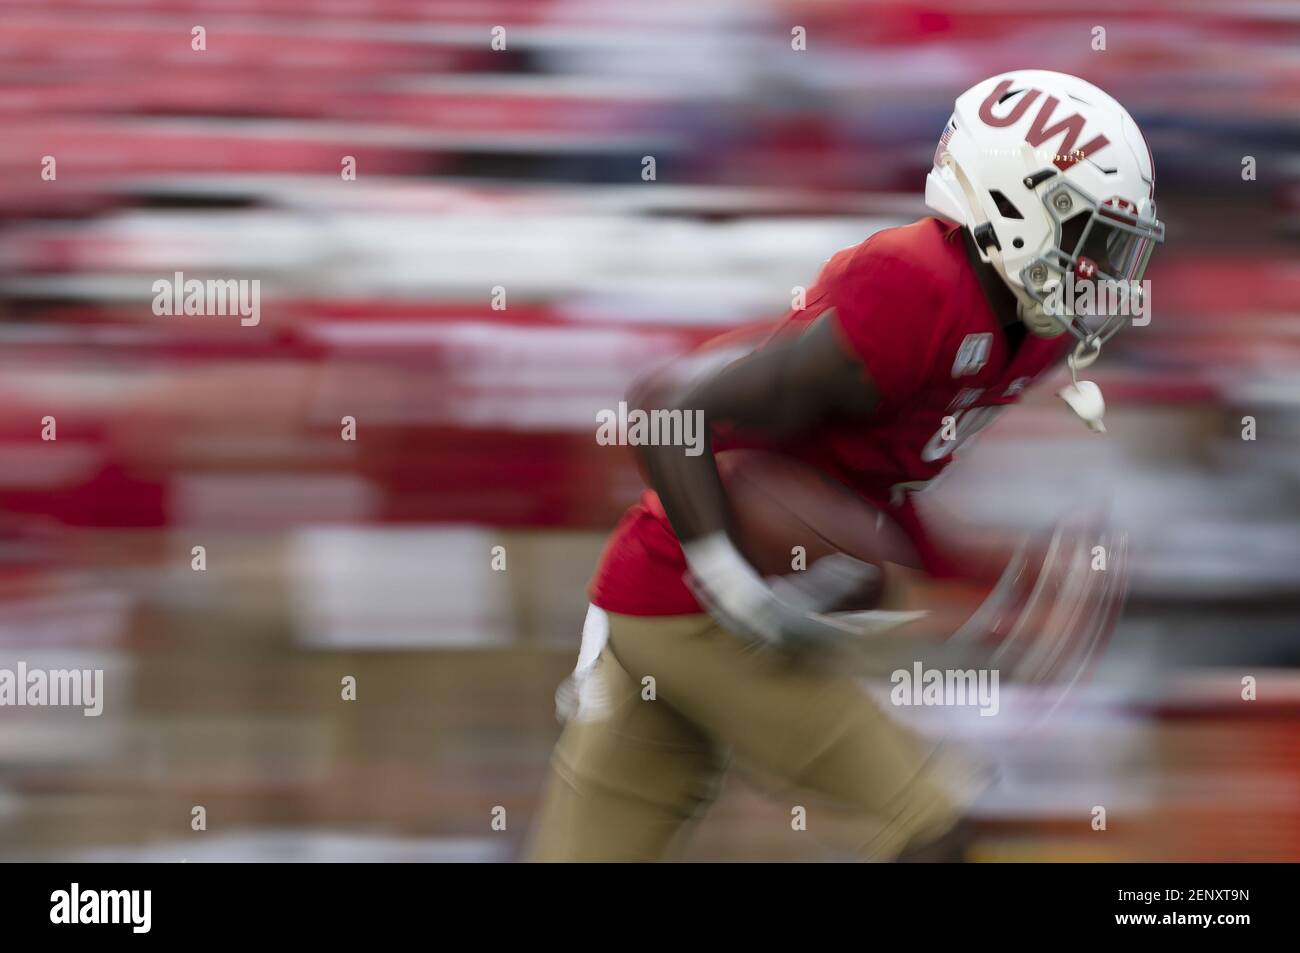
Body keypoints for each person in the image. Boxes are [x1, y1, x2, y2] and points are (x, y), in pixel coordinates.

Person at [527, 69, 1165, 862]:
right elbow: (669, 411)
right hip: (687, 599)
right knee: (934, 824)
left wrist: (982, 575)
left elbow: (870, 476)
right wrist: (732, 583)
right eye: (1088, 240)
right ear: (1015, 201)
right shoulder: (919, 289)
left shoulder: (1030, 327)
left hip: (668, 597)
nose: (1100, 273)